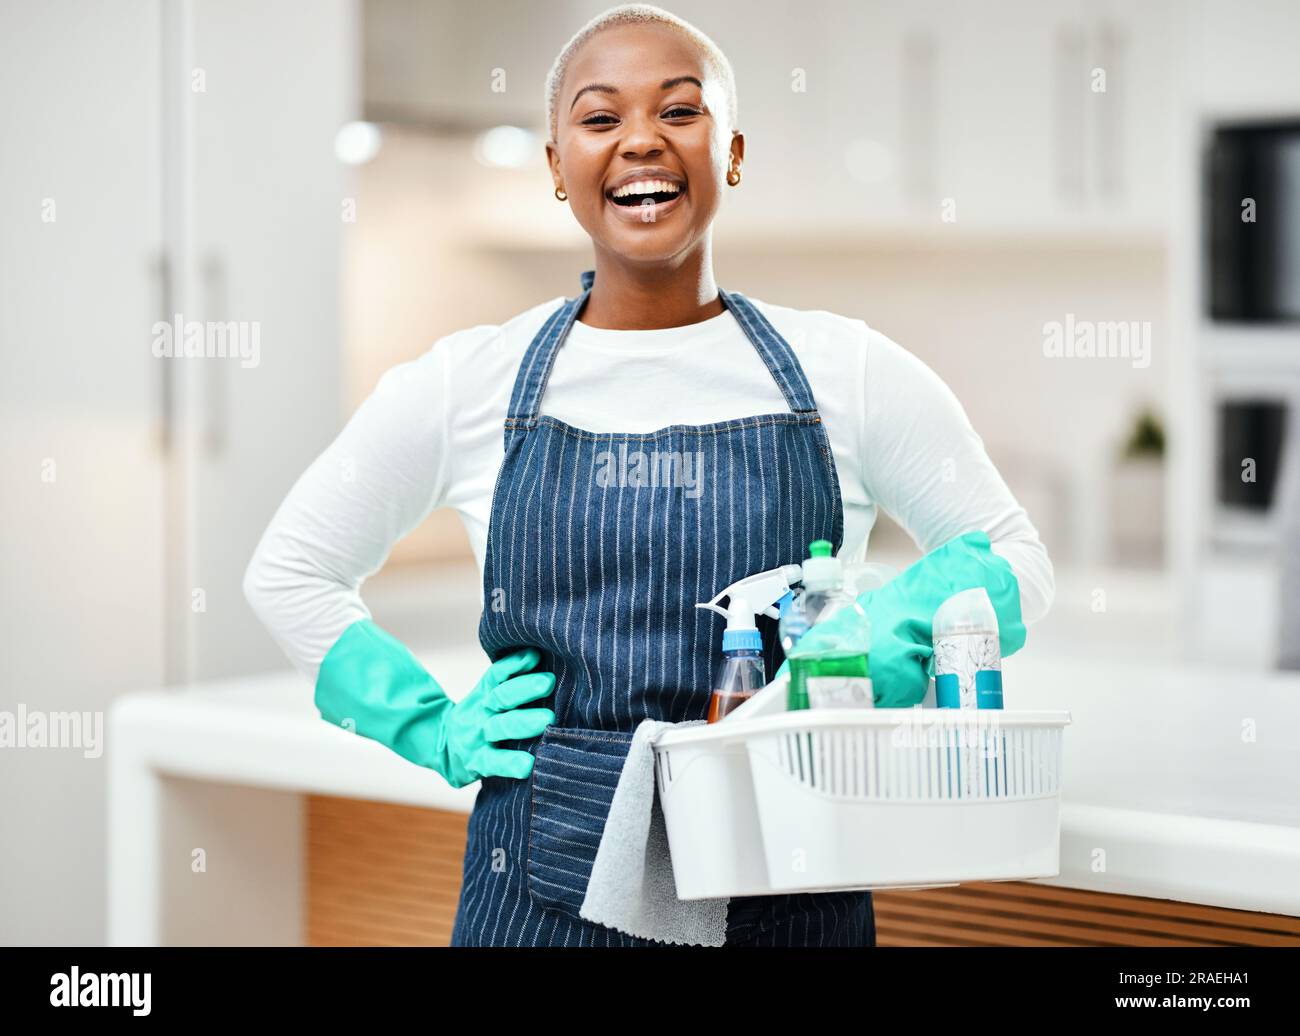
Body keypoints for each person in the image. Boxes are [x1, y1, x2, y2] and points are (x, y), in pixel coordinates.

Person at [244, 3, 1054, 947]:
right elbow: (289, 572)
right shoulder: (471, 381)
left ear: (733, 152)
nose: (640, 142)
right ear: (557, 166)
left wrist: (879, 643)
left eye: (680, 112)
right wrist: (430, 729)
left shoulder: (852, 371)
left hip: (790, 890)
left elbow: (1017, 562)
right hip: (538, 899)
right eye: (599, 119)